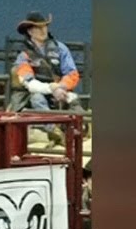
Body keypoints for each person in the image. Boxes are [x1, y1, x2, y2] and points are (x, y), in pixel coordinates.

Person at [10, 11, 82, 142]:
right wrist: (51, 88)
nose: (43, 30)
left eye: (44, 26)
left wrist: (61, 87)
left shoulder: (60, 48)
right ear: (30, 31)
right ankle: (53, 130)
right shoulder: (24, 55)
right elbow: (29, 82)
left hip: (59, 89)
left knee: (74, 101)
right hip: (32, 94)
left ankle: (78, 132)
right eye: (38, 27)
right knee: (37, 98)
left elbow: (72, 73)